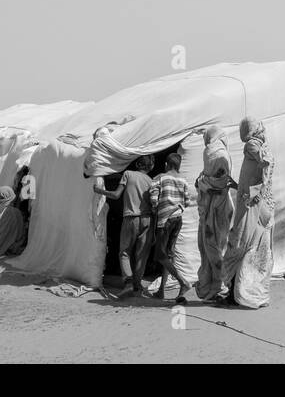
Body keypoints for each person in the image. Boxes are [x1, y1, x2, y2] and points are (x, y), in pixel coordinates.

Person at [218, 117, 275, 308]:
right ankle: (251, 293)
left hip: (252, 208)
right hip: (260, 207)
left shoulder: (252, 145)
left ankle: (236, 295)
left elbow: (264, 166)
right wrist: (240, 186)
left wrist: (253, 194)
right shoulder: (263, 146)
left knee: (239, 244)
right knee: (256, 248)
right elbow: (258, 172)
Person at [93, 156, 154, 297]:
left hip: (131, 218)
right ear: (150, 167)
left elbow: (115, 195)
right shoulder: (151, 181)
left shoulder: (128, 174)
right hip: (148, 219)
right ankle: (137, 285)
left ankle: (128, 283)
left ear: (137, 164)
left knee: (125, 252)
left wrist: (99, 191)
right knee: (141, 255)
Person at [194, 126, 236, 302]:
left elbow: (216, 180)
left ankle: (216, 284)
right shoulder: (221, 152)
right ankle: (216, 284)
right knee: (216, 245)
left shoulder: (212, 151)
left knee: (211, 246)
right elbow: (221, 180)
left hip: (214, 206)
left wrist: (203, 182)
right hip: (220, 206)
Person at [149, 153, 194, 303]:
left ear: (167, 165)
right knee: (168, 255)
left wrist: (156, 206)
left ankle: (183, 282)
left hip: (165, 220)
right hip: (177, 219)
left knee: (160, 256)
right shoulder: (183, 180)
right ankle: (161, 290)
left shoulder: (161, 178)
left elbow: (153, 197)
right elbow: (187, 201)